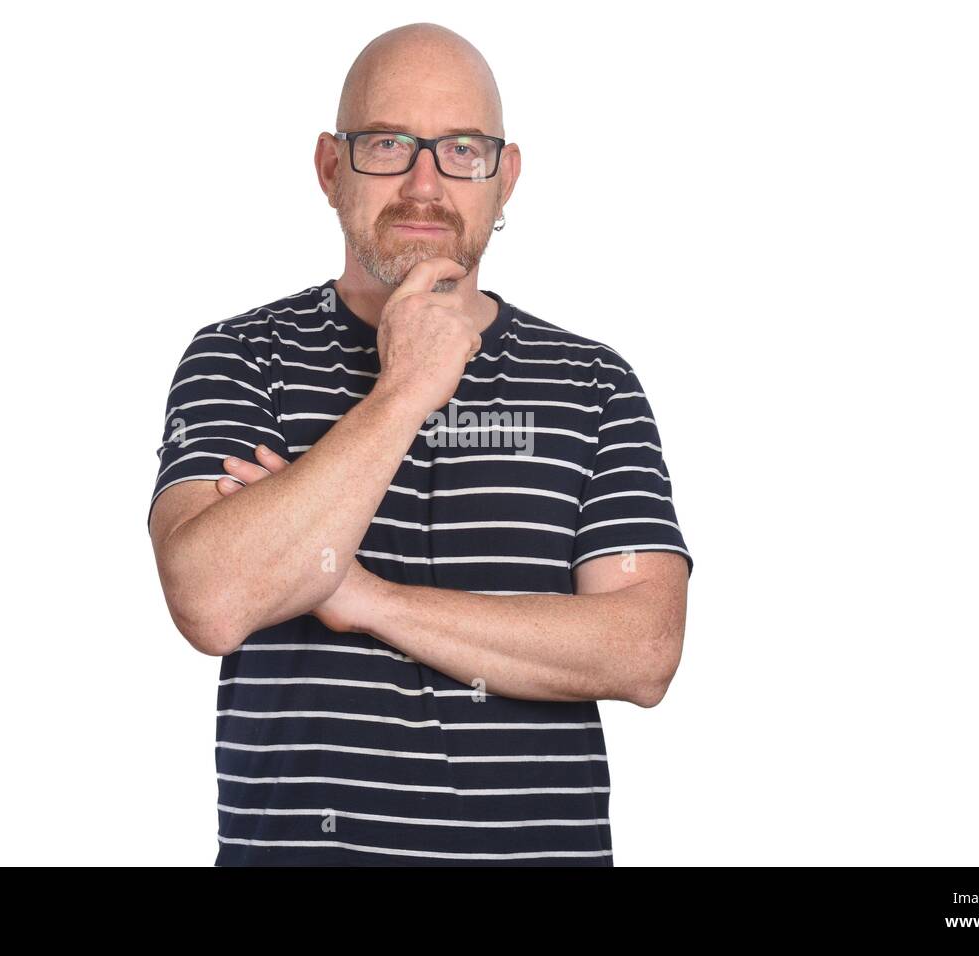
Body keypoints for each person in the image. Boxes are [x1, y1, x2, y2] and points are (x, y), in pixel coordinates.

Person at [147, 22, 692, 866]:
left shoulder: (594, 383)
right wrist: (405, 391)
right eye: (389, 144)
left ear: (504, 180)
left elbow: (644, 648)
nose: (425, 183)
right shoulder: (240, 357)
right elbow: (213, 600)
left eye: (462, 149)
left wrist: (360, 595)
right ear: (332, 169)